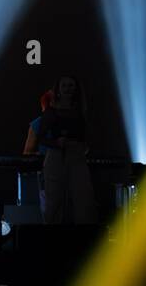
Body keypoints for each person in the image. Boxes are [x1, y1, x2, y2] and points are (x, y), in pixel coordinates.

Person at [23, 74, 97, 225]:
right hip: (57, 154)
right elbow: (38, 139)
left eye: (71, 85)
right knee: (54, 200)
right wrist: (56, 143)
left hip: (75, 155)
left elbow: (84, 135)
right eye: (64, 86)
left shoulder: (80, 111)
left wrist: (82, 146)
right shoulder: (49, 114)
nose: (68, 89)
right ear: (58, 90)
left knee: (83, 197)